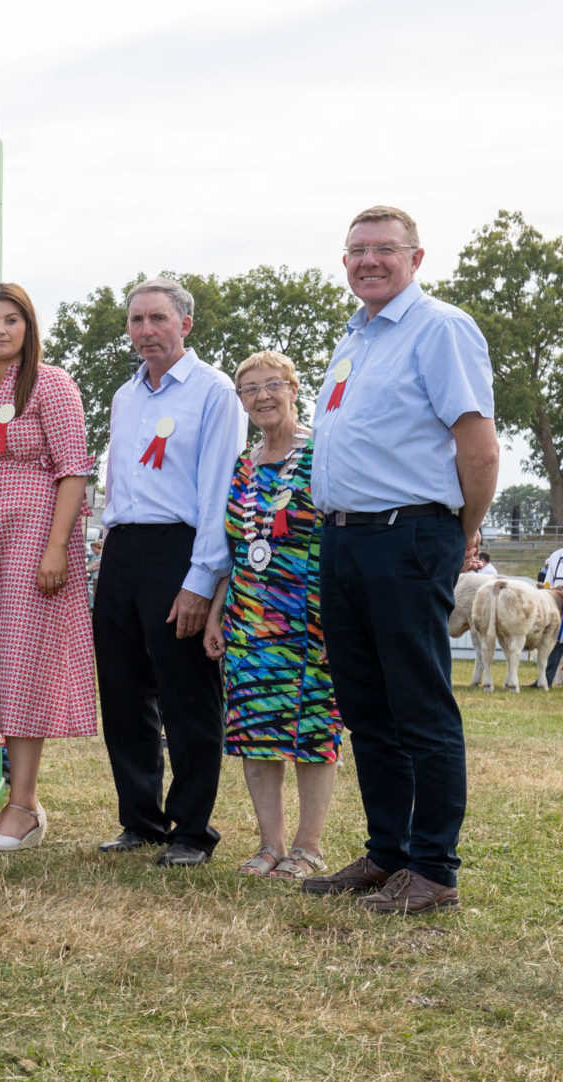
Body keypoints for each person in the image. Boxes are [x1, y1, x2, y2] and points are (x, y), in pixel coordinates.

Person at [305, 206, 497, 915]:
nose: (368, 261)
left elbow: (477, 446)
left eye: (385, 249)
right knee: (366, 704)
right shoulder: (354, 339)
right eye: (356, 251)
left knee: (419, 705)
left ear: (417, 258)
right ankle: (388, 852)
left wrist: (461, 535)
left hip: (409, 534)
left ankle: (433, 869)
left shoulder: (440, 329)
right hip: (345, 537)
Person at [93, 276, 246, 867]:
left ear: (186, 325)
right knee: (125, 693)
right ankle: (140, 819)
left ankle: (192, 830)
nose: (145, 331)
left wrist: (199, 581)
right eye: (136, 320)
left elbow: (217, 493)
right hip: (122, 549)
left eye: (158, 319)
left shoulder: (212, 392)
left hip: (180, 550)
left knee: (187, 696)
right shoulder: (125, 396)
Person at [0, 283, 95, 852]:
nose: (0, 330)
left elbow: (74, 469)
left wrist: (57, 547)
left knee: (27, 670)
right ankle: (25, 804)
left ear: (28, 328)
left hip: (37, 540)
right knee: (0, 666)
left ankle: (21, 806)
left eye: (11, 320)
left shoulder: (53, 383)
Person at [200, 351, 342, 880]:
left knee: (312, 733)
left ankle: (308, 848)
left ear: (294, 389)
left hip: (310, 618)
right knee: (255, 732)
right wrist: (216, 616)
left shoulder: (321, 452)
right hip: (247, 619)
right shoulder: (242, 463)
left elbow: (338, 540)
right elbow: (234, 546)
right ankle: (269, 845)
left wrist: (341, 620)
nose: (261, 396)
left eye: (272, 385)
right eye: (249, 389)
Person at [540, 544, 563, 687]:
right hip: (557, 603)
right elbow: (548, 583)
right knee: (555, 642)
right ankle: (545, 679)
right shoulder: (555, 556)